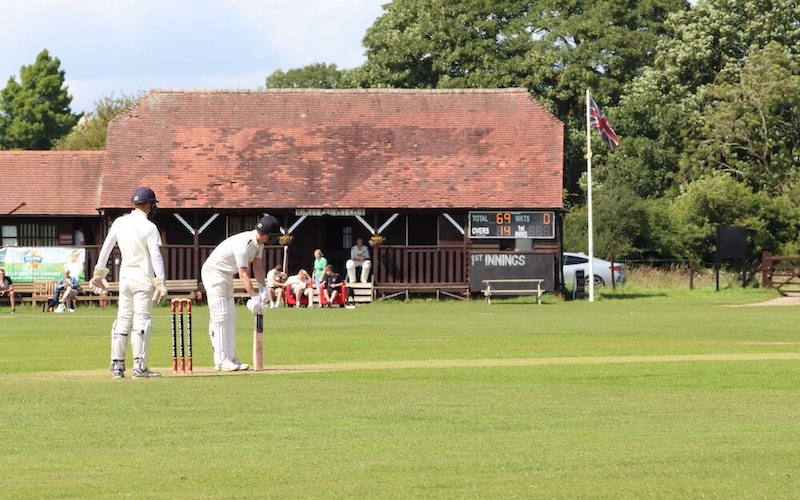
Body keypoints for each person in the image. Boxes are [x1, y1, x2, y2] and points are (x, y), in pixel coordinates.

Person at [90, 187, 168, 379]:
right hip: (143, 280)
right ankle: (139, 368)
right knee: (142, 321)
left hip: (125, 279)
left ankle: (117, 367)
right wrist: (160, 282)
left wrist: (99, 273)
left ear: (133, 204)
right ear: (149, 204)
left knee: (123, 319)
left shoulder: (120, 222)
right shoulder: (149, 227)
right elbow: (156, 256)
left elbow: (106, 247)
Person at [201, 214, 280, 371]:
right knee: (221, 316)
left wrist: (263, 287)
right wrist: (254, 297)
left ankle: (231, 358)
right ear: (267, 235)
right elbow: (243, 274)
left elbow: (257, 265)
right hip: (213, 273)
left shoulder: (258, 244)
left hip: (226, 275)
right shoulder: (244, 244)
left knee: (231, 315)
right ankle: (221, 360)